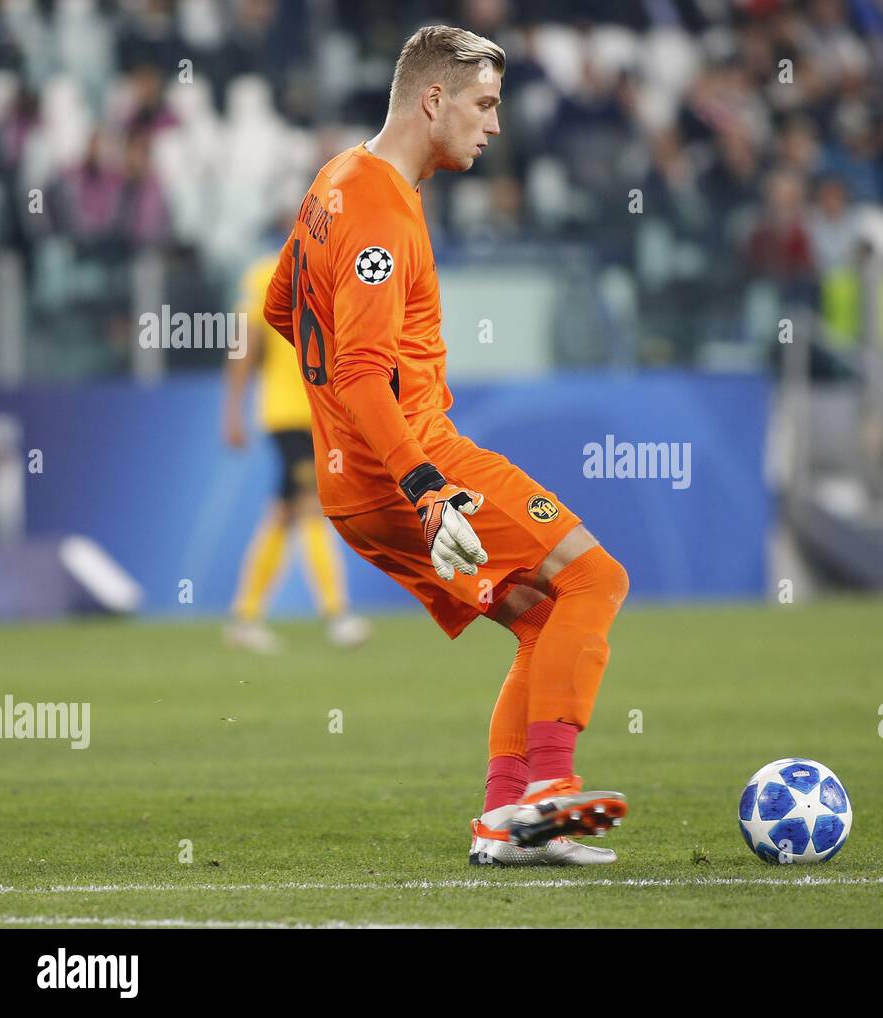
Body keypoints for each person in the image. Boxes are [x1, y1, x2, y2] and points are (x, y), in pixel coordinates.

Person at [262, 25, 628, 865]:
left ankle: (507, 826)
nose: (496, 127)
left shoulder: (335, 180)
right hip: (415, 468)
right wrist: (426, 484)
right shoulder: (384, 211)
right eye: (485, 104)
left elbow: (285, 305)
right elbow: (358, 373)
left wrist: (346, 441)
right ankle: (547, 795)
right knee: (595, 580)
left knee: (541, 623)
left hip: (355, 487)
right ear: (433, 100)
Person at [222, 250, 373, 653]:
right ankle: (337, 614)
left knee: (284, 511)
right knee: (312, 503)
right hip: (287, 414)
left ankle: (245, 616)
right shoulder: (265, 272)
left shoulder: (337, 269)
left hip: (321, 414)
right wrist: (233, 409)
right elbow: (245, 343)